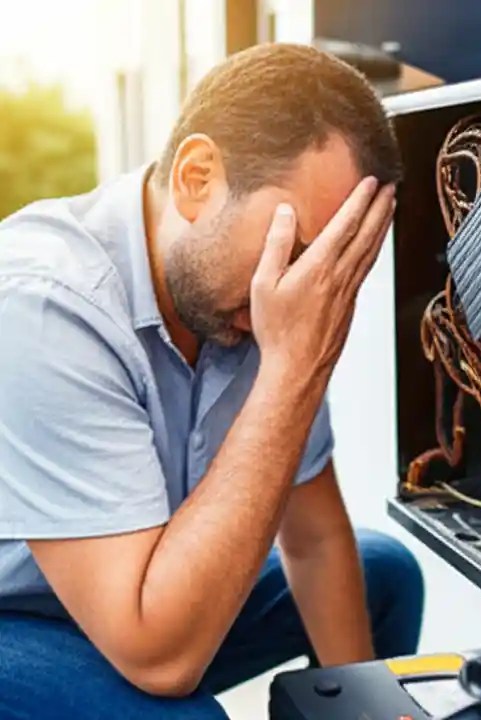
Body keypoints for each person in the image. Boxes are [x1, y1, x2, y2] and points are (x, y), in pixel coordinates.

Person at [0, 43, 424, 718]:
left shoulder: (255, 302)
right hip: (18, 616)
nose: (306, 288)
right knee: (185, 712)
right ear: (198, 178)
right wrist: (291, 372)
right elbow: (159, 657)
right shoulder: (46, 303)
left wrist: (366, 707)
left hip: (138, 589)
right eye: (298, 248)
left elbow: (313, 541)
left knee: (385, 577)